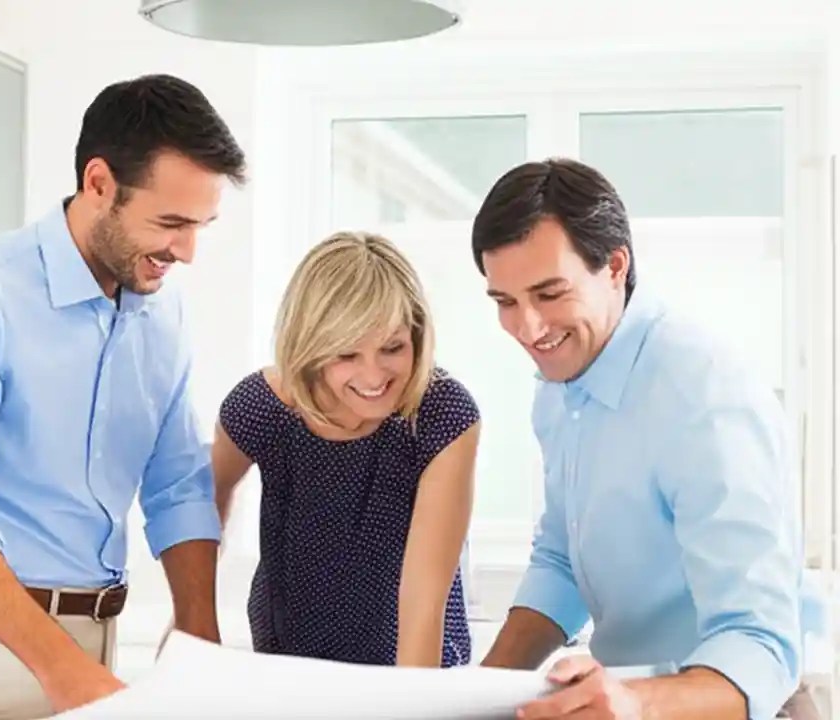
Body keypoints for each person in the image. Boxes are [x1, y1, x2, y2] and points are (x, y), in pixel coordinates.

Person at [0, 73, 246, 720]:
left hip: (94, 639)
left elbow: (176, 486)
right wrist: (62, 670)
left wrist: (196, 631)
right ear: (98, 183)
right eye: (170, 223)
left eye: (201, 225)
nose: (187, 251)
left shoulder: (161, 315)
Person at [472, 158, 817, 720]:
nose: (528, 329)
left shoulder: (704, 396)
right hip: (630, 699)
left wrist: (635, 704)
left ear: (614, 266)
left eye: (549, 293)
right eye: (505, 303)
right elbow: (563, 557)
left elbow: (762, 646)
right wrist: (475, 694)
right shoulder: (561, 387)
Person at [211, 231, 481, 668]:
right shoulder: (262, 407)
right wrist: (191, 624)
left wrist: (419, 705)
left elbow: (423, 600)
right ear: (310, 349)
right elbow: (203, 504)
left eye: (392, 347)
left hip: (414, 658)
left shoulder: (443, 414)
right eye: (346, 355)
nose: (373, 375)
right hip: (290, 655)